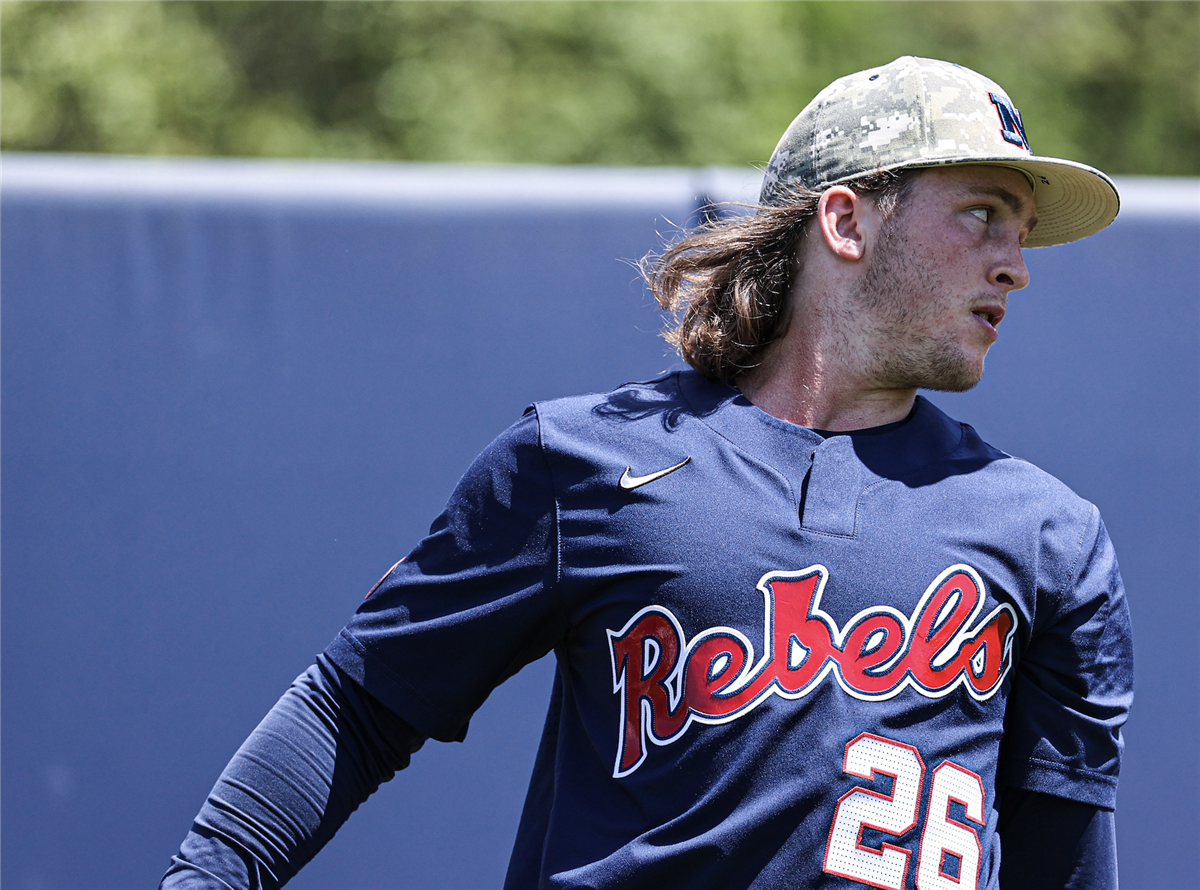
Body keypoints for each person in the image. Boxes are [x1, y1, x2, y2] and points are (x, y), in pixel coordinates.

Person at [161, 57, 1132, 890]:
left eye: (1023, 229)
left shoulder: (1048, 535)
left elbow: (1062, 851)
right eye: (982, 213)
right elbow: (356, 707)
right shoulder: (582, 463)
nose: (1016, 263)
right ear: (847, 221)